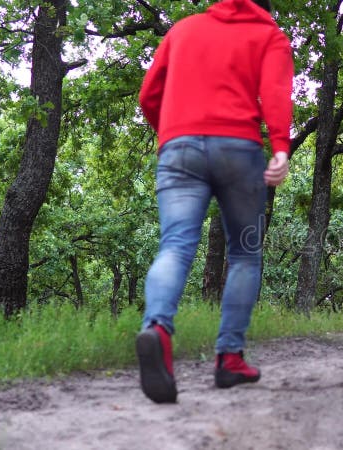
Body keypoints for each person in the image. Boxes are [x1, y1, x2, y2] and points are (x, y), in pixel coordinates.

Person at [135, 0, 293, 404]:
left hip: (178, 148)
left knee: (175, 244)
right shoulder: (269, 35)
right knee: (245, 253)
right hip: (238, 147)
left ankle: (158, 330)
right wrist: (280, 148)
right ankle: (229, 359)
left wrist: (170, 134)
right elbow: (274, 93)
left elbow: (149, 93)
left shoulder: (183, 30)